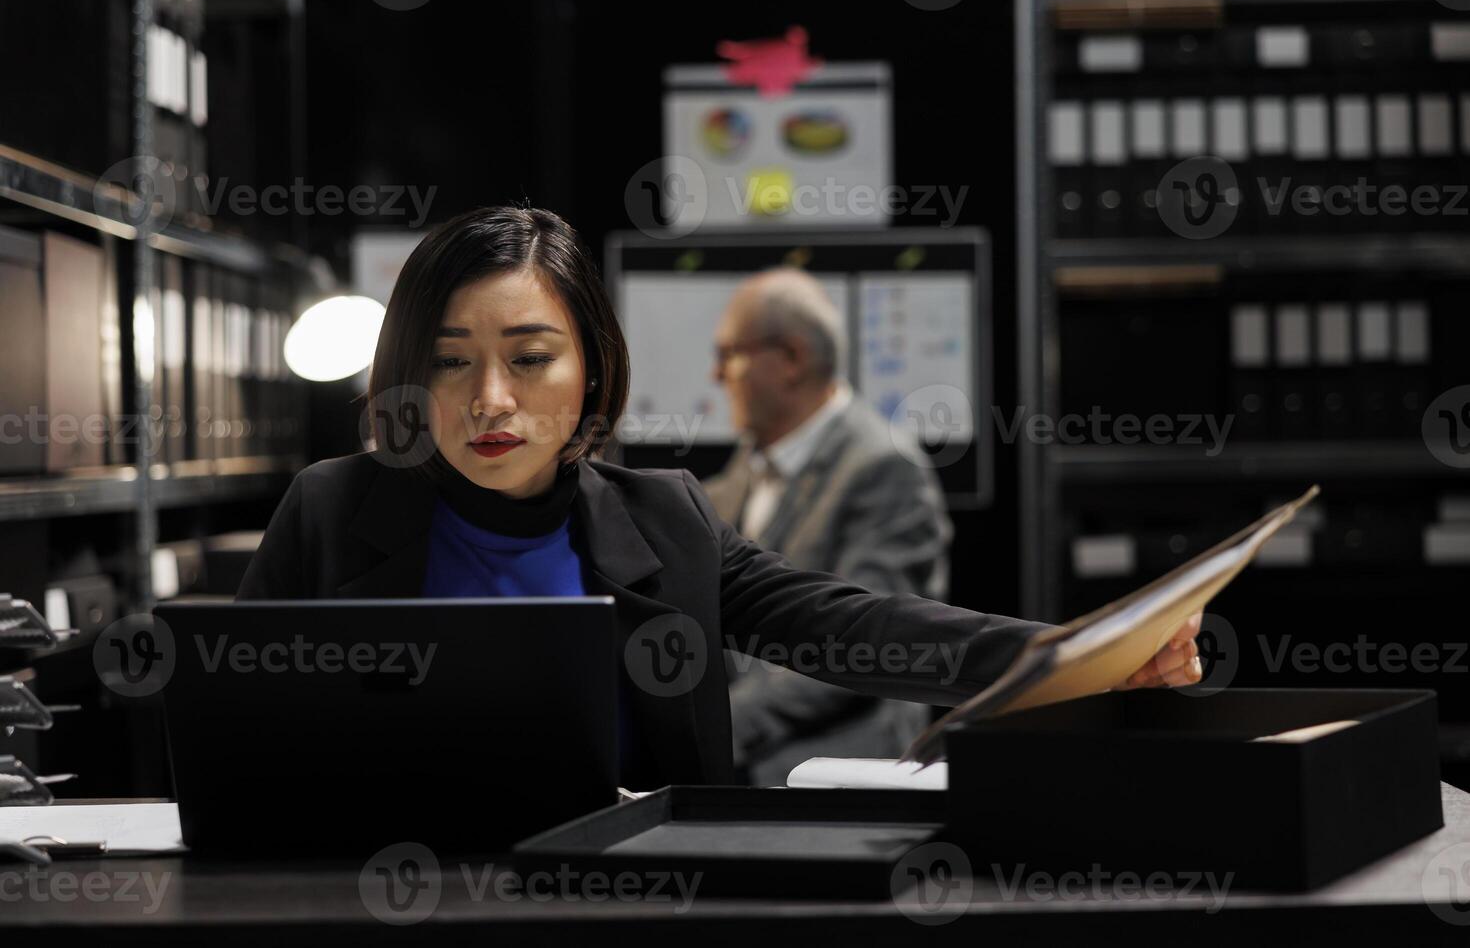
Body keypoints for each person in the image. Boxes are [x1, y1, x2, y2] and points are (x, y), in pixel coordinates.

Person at [235, 206, 1204, 790]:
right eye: (451, 362)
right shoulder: (329, 511)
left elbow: (856, 626)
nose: (491, 398)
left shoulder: (663, 517)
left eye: (529, 358)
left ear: (590, 369)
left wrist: (1086, 656)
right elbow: (234, 745)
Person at [703, 268, 945, 785]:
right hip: (752, 755)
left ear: (791, 358)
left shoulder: (885, 465)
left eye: (730, 355)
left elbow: (861, 644)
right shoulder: (747, 462)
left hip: (837, 769)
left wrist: (717, 728)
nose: (717, 376)